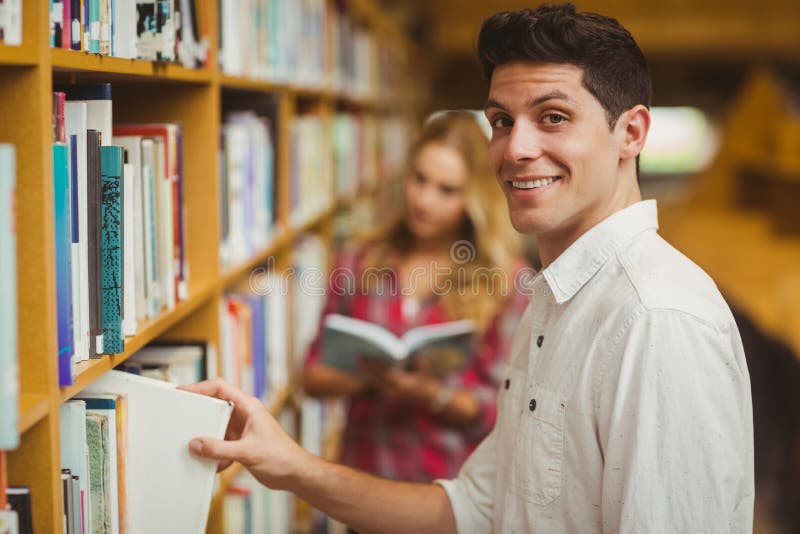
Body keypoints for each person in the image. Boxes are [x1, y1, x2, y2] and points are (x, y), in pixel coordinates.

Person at [182, 4, 754, 532]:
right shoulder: (554, 303)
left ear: (631, 133)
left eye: (553, 117)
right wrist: (290, 465)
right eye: (502, 120)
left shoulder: (657, 320)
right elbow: (472, 509)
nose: (515, 148)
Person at [301, 111, 528, 484]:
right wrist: (371, 375)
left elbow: (504, 407)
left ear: (474, 198)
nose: (424, 200)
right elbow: (311, 377)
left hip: (451, 490)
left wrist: (430, 393)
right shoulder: (359, 260)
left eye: (446, 190)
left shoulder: (507, 280)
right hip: (363, 478)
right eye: (418, 179)